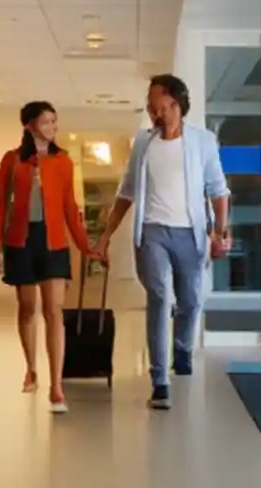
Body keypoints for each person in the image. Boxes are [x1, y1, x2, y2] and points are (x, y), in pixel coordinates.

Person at [92, 74, 231, 410]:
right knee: (158, 295)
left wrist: (220, 231)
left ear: (178, 105)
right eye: (152, 108)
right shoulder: (143, 143)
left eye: (163, 107)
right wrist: (105, 237)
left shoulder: (202, 142)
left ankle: (182, 349)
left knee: (191, 300)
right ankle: (159, 381)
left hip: (191, 233)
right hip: (152, 231)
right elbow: (126, 195)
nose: (157, 114)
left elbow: (218, 190)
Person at [0, 101, 99, 414]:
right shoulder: (12, 161)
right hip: (20, 241)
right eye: (46, 122)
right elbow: (0, 206)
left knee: (54, 310)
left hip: (53, 242)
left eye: (55, 121)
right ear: (29, 125)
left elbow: (69, 207)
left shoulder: (63, 161)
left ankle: (57, 387)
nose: (52, 127)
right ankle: (31, 369)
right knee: (27, 309)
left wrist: (85, 246)